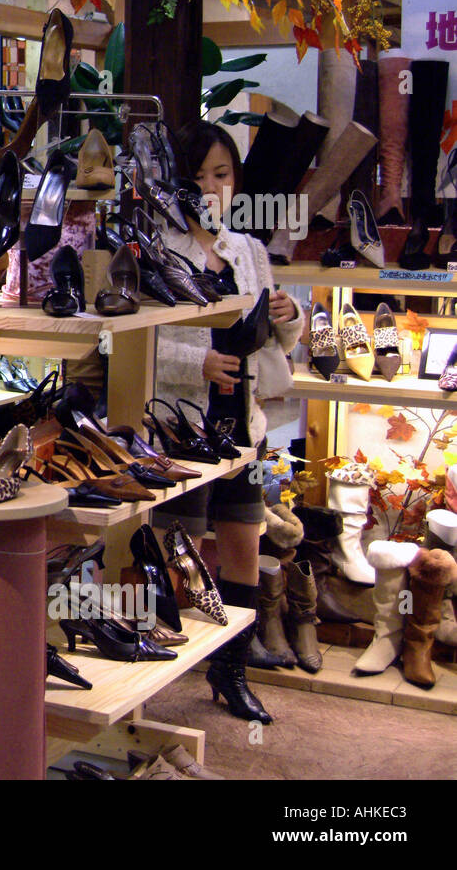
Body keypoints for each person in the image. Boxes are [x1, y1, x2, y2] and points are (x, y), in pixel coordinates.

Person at [151, 120, 303, 725]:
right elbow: (131, 347)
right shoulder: (156, 250)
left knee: (243, 546)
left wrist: (289, 316)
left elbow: (273, 339)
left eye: (222, 175)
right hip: (180, 426)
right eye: (197, 177)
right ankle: (167, 666)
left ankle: (231, 669)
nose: (210, 189)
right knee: (175, 551)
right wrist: (198, 362)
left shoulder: (249, 251)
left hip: (241, 423)